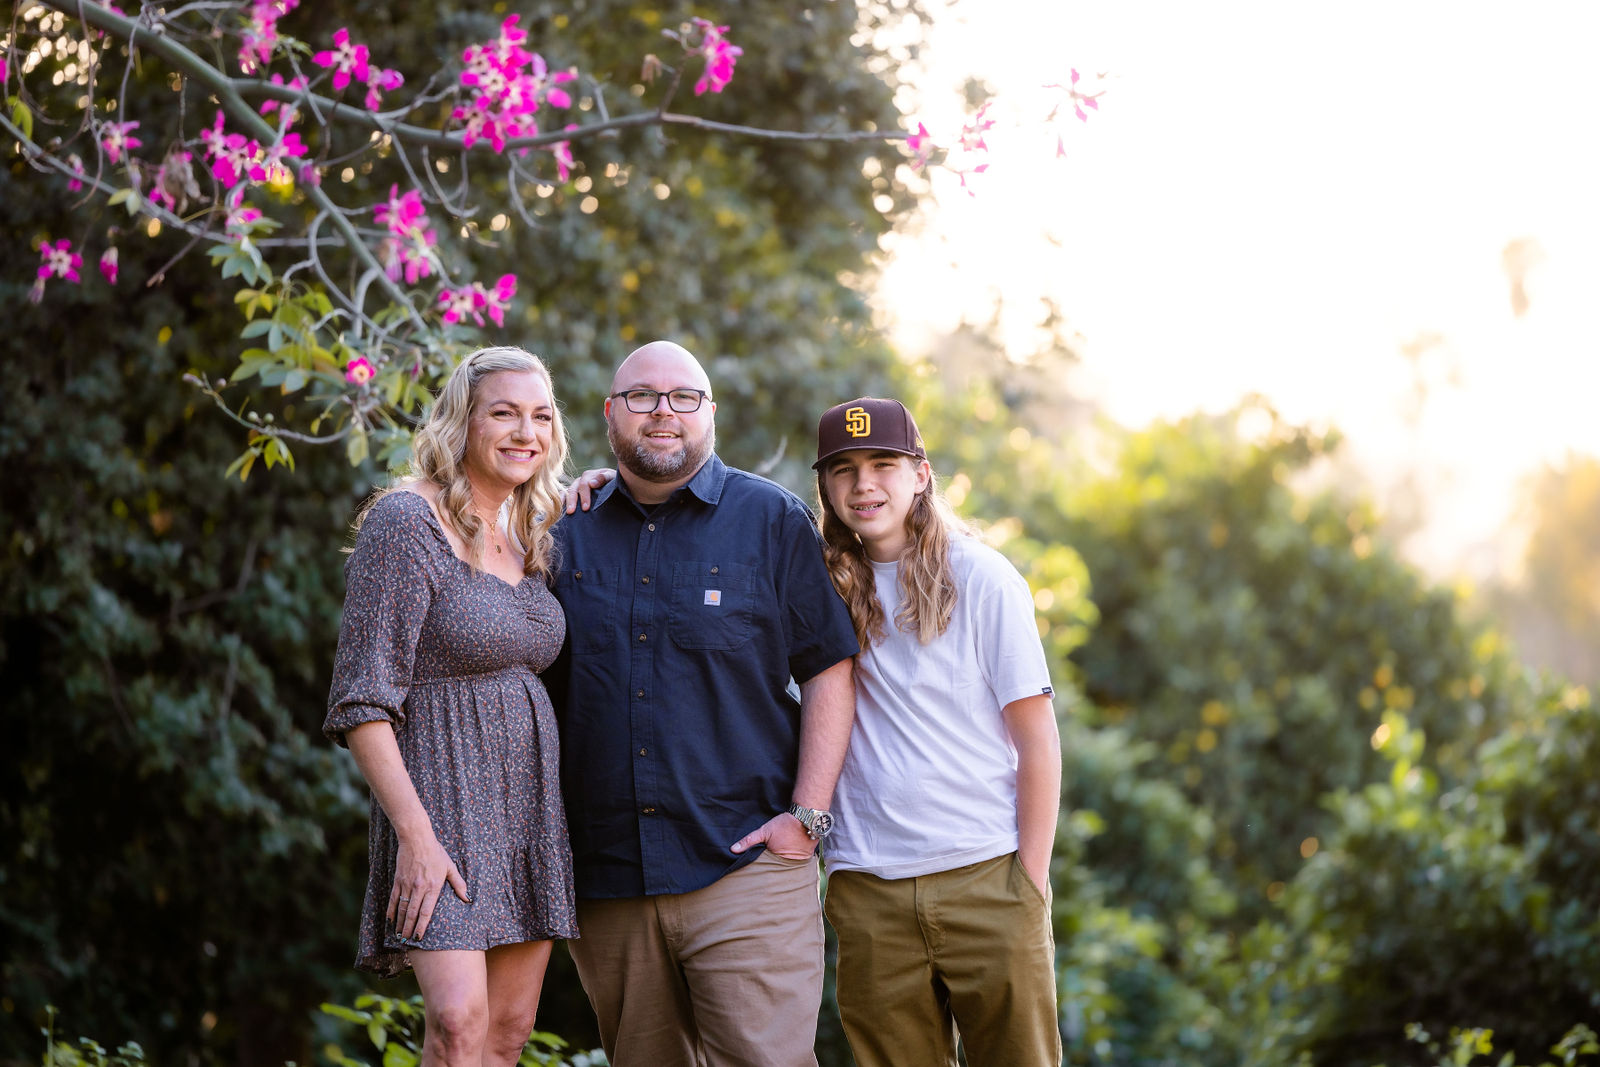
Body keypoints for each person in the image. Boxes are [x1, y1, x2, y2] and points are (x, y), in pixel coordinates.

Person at [547, 340, 859, 1067]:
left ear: (710, 412)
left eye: (683, 396)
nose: (663, 411)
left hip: (746, 866)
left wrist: (808, 817)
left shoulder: (770, 520)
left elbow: (829, 669)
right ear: (610, 413)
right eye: (642, 396)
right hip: (610, 878)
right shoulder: (562, 530)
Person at [323, 346, 577, 1067]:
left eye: (540, 416)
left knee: (509, 1030)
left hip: (528, 806)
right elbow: (362, 700)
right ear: (462, 422)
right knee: (459, 1022)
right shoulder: (407, 523)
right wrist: (416, 834)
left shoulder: (534, 532)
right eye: (504, 413)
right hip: (439, 803)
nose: (525, 431)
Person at [812, 396, 1063, 1067]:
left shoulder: (984, 578)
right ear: (826, 486)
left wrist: (1028, 882)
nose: (863, 484)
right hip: (869, 886)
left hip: (987, 875)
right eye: (843, 468)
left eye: (883, 464)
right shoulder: (818, 586)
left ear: (920, 473)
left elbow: (1038, 739)